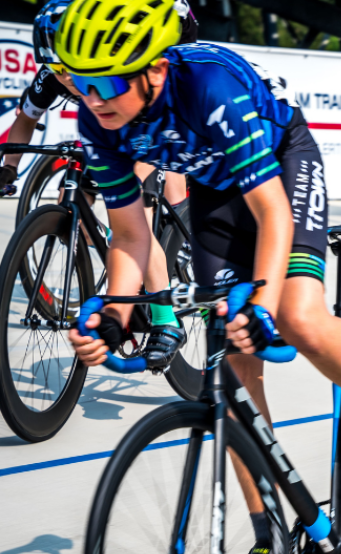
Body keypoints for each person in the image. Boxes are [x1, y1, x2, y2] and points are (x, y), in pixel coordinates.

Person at [56, 0, 341, 554]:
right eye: (80, 80)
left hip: (281, 165)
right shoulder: (99, 122)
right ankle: (271, 539)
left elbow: (272, 213)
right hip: (212, 191)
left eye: (105, 81)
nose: (92, 97)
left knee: (296, 316)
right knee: (230, 375)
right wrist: (115, 308)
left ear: (152, 69)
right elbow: (129, 237)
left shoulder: (211, 87)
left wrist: (261, 298)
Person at [1, 0, 200, 368]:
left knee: (139, 207)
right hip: (110, 125)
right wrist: (9, 169)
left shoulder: (116, 61)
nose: (64, 79)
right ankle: (123, 255)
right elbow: (25, 120)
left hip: (154, 93)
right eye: (55, 70)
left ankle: (165, 315)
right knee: (73, 197)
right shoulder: (52, 76)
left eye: (67, 69)